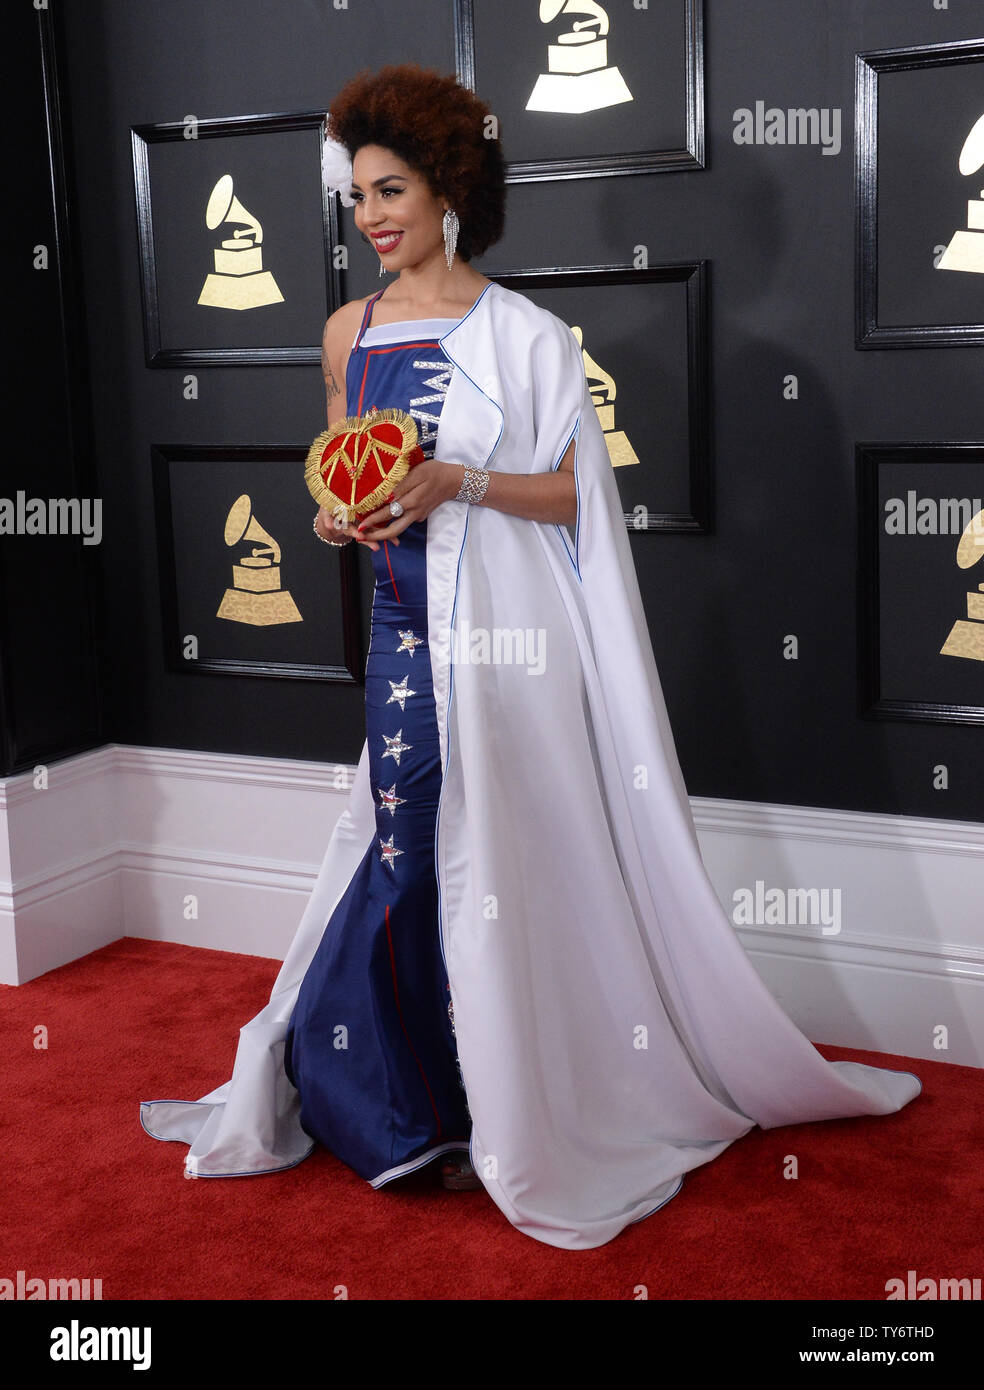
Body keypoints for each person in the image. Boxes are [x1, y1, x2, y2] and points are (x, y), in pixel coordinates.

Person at [141, 62, 922, 1250]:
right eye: (357, 195)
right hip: (401, 633)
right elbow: (347, 470)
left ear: (449, 188)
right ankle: (387, 1103)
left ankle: (480, 1101)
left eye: (391, 188)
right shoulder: (345, 331)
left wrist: (458, 481)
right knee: (409, 848)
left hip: (507, 648)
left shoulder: (529, 336)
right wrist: (335, 516)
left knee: (486, 854)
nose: (371, 217)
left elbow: (575, 499)